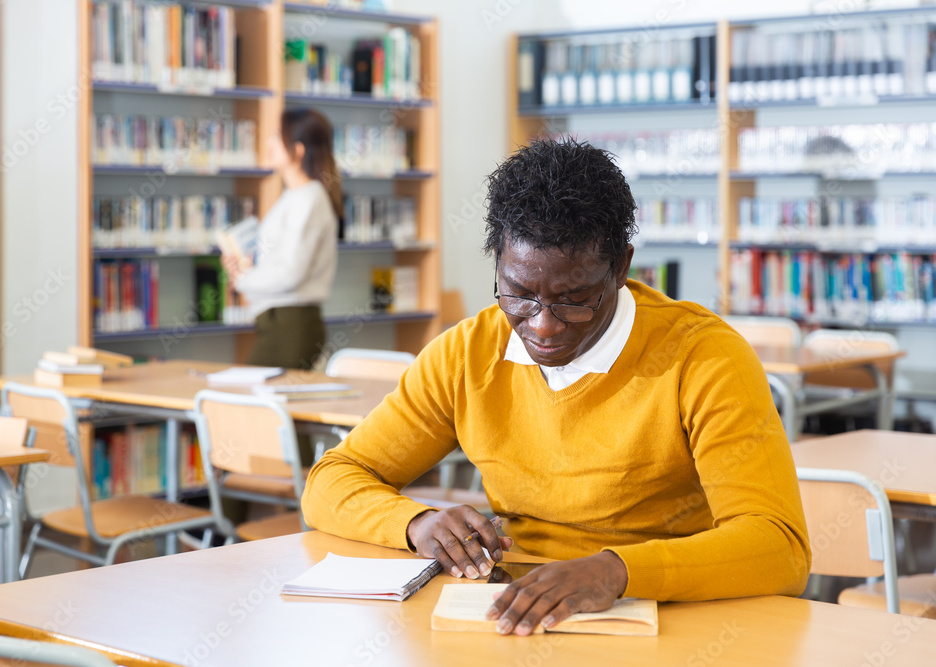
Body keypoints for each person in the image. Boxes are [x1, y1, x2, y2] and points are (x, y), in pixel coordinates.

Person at [302, 137, 810, 636]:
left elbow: (778, 545)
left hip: (664, 617)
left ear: (622, 267)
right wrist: (416, 524)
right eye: (518, 294)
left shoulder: (704, 357)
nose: (542, 326)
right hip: (513, 613)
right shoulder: (465, 353)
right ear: (497, 261)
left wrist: (617, 571)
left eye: (575, 299)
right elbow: (332, 480)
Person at [225, 108, 341, 369]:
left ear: (298, 151)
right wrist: (245, 268)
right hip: (277, 321)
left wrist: (244, 280)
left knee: (252, 400)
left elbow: (292, 272)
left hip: (292, 324)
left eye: (278, 136)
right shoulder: (293, 197)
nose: (269, 143)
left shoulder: (310, 199)